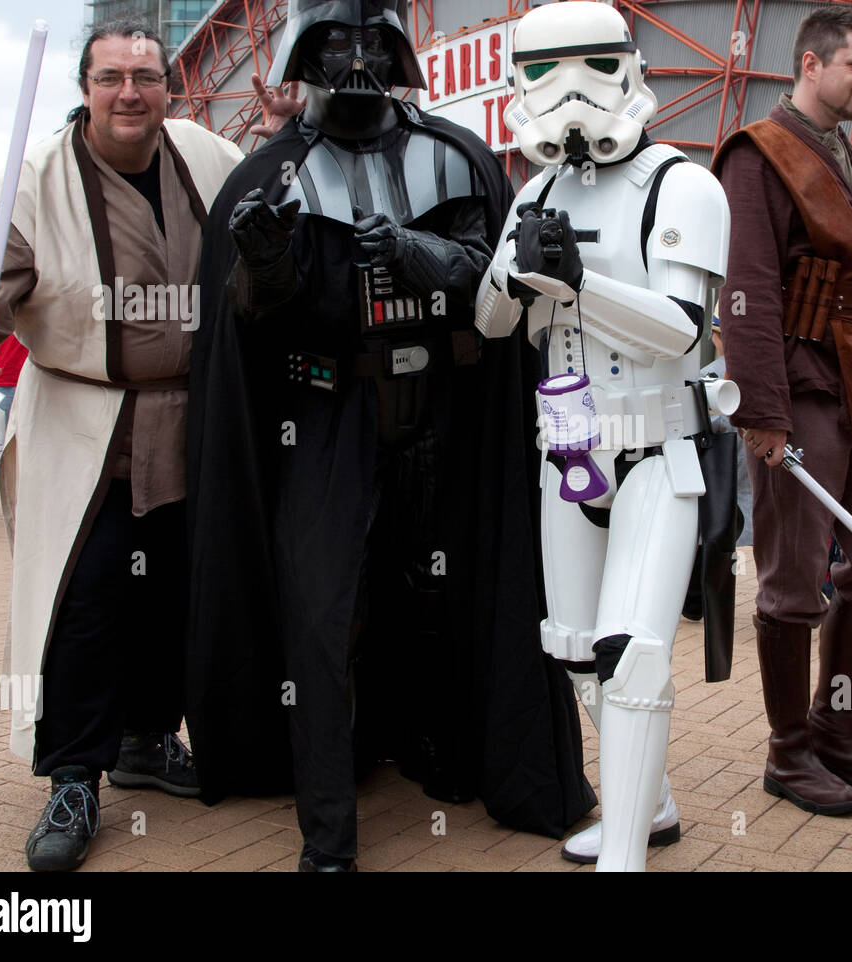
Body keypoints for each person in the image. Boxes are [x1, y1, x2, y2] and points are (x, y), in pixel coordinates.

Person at [188, 0, 595, 872]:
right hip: (326, 419)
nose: (357, 58)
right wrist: (266, 265)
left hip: (449, 411)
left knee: (451, 584)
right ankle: (328, 833)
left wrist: (418, 252)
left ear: (401, 52)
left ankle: (449, 750)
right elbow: (250, 328)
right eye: (337, 43)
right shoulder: (271, 173)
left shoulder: (457, 158)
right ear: (306, 54)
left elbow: (497, 283)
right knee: (323, 610)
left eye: (373, 42)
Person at [0, 18, 296, 872]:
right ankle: (72, 774)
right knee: (85, 597)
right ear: (85, 89)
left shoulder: (204, 155)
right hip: (83, 422)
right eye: (111, 78)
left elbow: (275, 204)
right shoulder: (30, 181)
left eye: (145, 76)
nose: (129, 93)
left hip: (192, 419)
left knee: (174, 591)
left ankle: (146, 738)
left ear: (168, 87)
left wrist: (287, 134)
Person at [474, 0, 735, 871]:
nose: (568, 90)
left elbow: (685, 332)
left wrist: (578, 283)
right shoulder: (536, 191)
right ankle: (648, 802)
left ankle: (623, 855)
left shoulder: (681, 184)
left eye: (590, 63)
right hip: (570, 450)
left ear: (629, 66)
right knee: (579, 651)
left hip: (658, 449)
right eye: (543, 71)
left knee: (634, 656)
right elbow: (491, 322)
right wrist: (518, 274)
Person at [713, 5, 852, 817]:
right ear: (809, 63)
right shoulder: (756, 155)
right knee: (792, 581)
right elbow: (745, 291)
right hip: (797, 391)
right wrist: (761, 413)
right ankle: (788, 751)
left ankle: (837, 728)